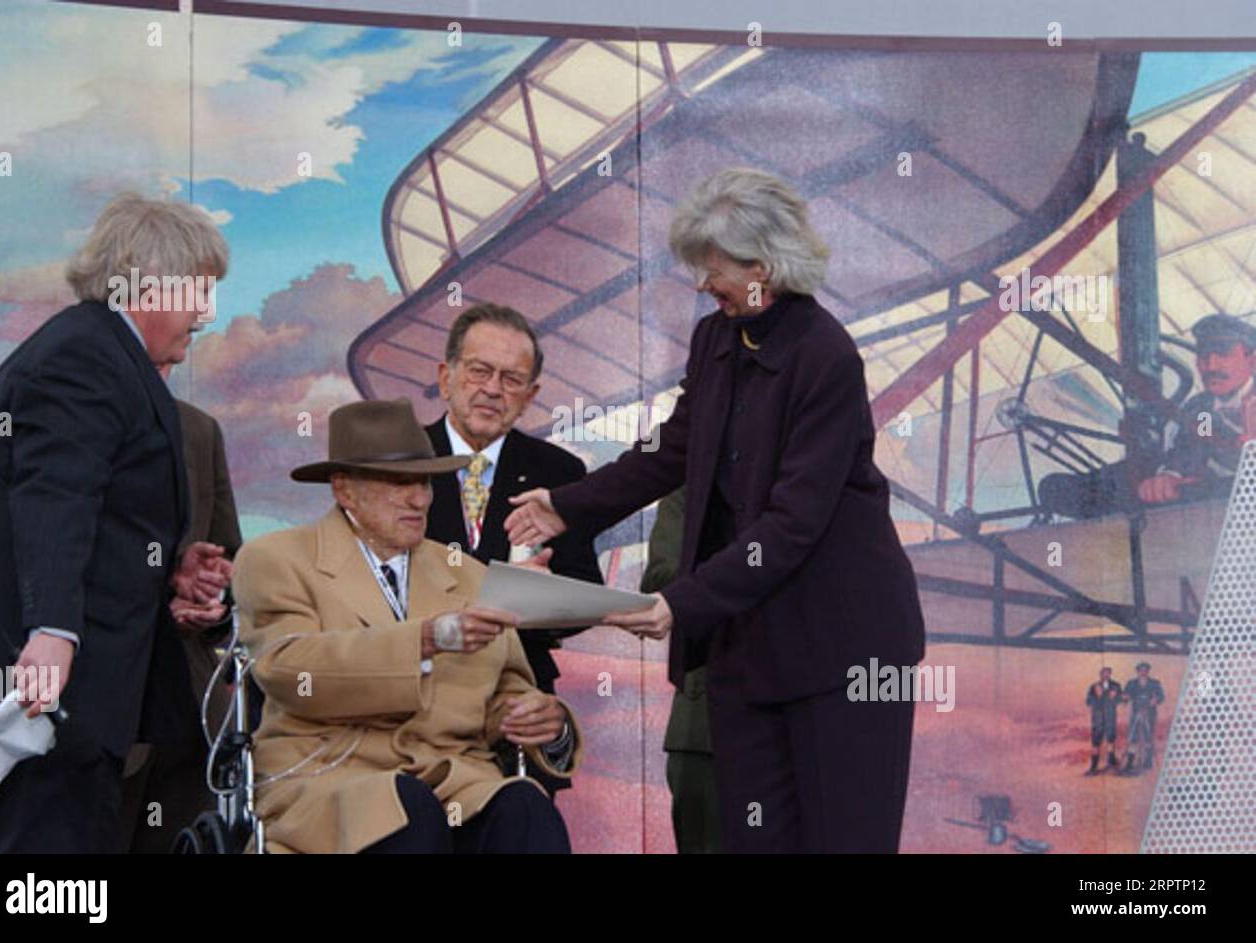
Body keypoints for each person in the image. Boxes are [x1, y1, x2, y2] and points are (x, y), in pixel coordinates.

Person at [506, 167, 926, 853]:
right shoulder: (716, 339)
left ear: (765, 263)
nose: (703, 283)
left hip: (845, 649)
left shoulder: (825, 356)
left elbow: (793, 524)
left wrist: (681, 601)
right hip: (746, 644)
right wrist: (567, 506)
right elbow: (670, 449)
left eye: (715, 267)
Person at [0, 193, 231, 852]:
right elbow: (56, 495)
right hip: (50, 696)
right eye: (198, 289)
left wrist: (170, 567)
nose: (205, 311)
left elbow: (104, 517)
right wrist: (51, 630)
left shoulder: (106, 355)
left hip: (80, 696)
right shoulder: (84, 357)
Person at [232, 399, 581, 854]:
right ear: (344, 489)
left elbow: (508, 690)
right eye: (399, 482)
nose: (419, 498)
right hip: (331, 781)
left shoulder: (468, 573)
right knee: (405, 814)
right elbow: (287, 672)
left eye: (425, 481)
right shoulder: (277, 559)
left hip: (454, 781)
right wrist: (425, 639)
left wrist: (543, 723)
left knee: (526, 811)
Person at [425, 303, 603, 697]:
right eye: (479, 371)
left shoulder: (559, 472)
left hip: (518, 685)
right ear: (445, 378)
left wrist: (544, 598)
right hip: (416, 685)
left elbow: (586, 590)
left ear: (529, 396)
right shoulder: (401, 458)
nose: (492, 389)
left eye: (511, 379)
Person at [119, 387, 244, 853]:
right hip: (98, 711)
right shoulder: (68, 419)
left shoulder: (198, 429)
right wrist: (158, 610)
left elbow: (227, 554)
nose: (195, 319)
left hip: (189, 717)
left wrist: (212, 603)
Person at [1038, 313, 1256, 518]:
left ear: (1252, 360)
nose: (1210, 366)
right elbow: (1190, 448)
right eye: (1202, 357)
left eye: (1224, 355)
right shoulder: (1200, 408)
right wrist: (1171, 475)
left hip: (1233, 508)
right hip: (1194, 498)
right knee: (1059, 489)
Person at [640, 487, 720, 853]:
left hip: (805, 713)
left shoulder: (818, 477)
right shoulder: (692, 488)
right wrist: (738, 577)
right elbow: (659, 578)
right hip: (704, 724)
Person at [1120, 661, 1165, 775]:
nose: (1143, 672)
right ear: (1138, 671)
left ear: (1148, 671)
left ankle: (1148, 761)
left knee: (1148, 736)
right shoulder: (1131, 683)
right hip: (1136, 713)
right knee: (1133, 737)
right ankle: (1130, 761)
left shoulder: (1155, 683)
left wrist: (1155, 700)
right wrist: (1125, 697)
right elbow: (1125, 696)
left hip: (1149, 713)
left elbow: (1161, 697)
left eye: (1145, 670)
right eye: (1141, 670)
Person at [1085, 667, 1123, 776]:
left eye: (1108, 673)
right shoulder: (1093, 687)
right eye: (1103, 673)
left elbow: (1122, 699)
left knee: (1111, 739)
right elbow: (1088, 701)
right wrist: (1097, 696)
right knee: (1096, 742)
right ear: (1100, 674)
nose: (1105, 675)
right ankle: (1094, 766)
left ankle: (1111, 761)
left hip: (1110, 717)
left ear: (1110, 674)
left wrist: (1115, 697)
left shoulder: (1116, 686)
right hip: (1098, 719)